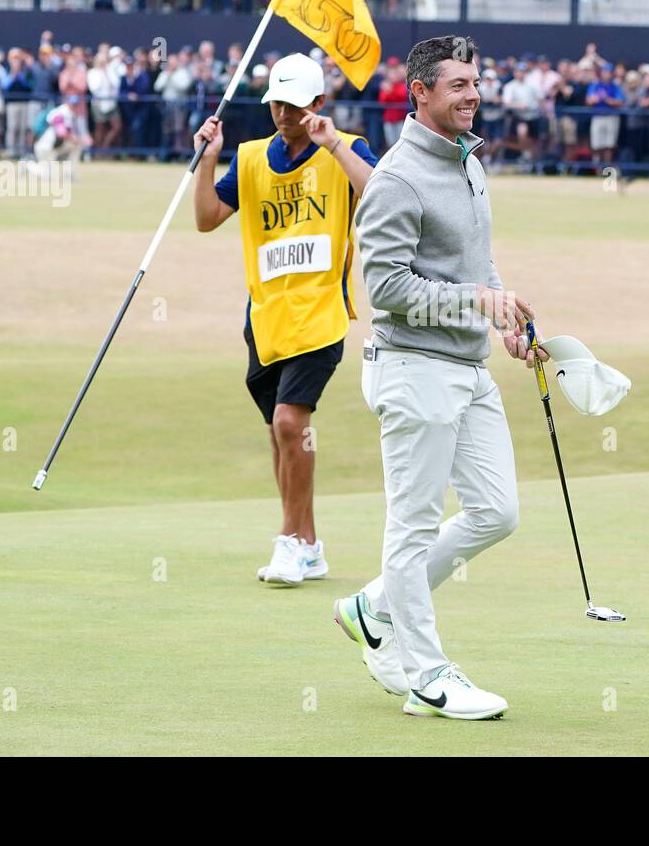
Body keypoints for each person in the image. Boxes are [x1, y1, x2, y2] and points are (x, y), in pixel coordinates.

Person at [334, 35, 546, 720]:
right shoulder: (397, 178)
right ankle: (427, 675)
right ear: (419, 92)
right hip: (412, 369)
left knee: (497, 511)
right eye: (456, 85)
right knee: (413, 526)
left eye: (475, 82)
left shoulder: (468, 162)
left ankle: (373, 606)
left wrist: (506, 315)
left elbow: (476, 266)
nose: (472, 94)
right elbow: (388, 287)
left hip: (466, 365)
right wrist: (476, 302)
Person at [192, 53, 377, 585]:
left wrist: (334, 145)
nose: (283, 113)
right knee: (283, 437)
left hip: (321, 314)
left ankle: (290, 542)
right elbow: (207, 219)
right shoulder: (249, 158)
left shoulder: (347, 148)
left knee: (290, 424)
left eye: (294, 104)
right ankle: (311, 545)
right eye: (276, 102)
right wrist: (207, 159)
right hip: (266, 319)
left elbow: (381, 192)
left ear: (318, 104)